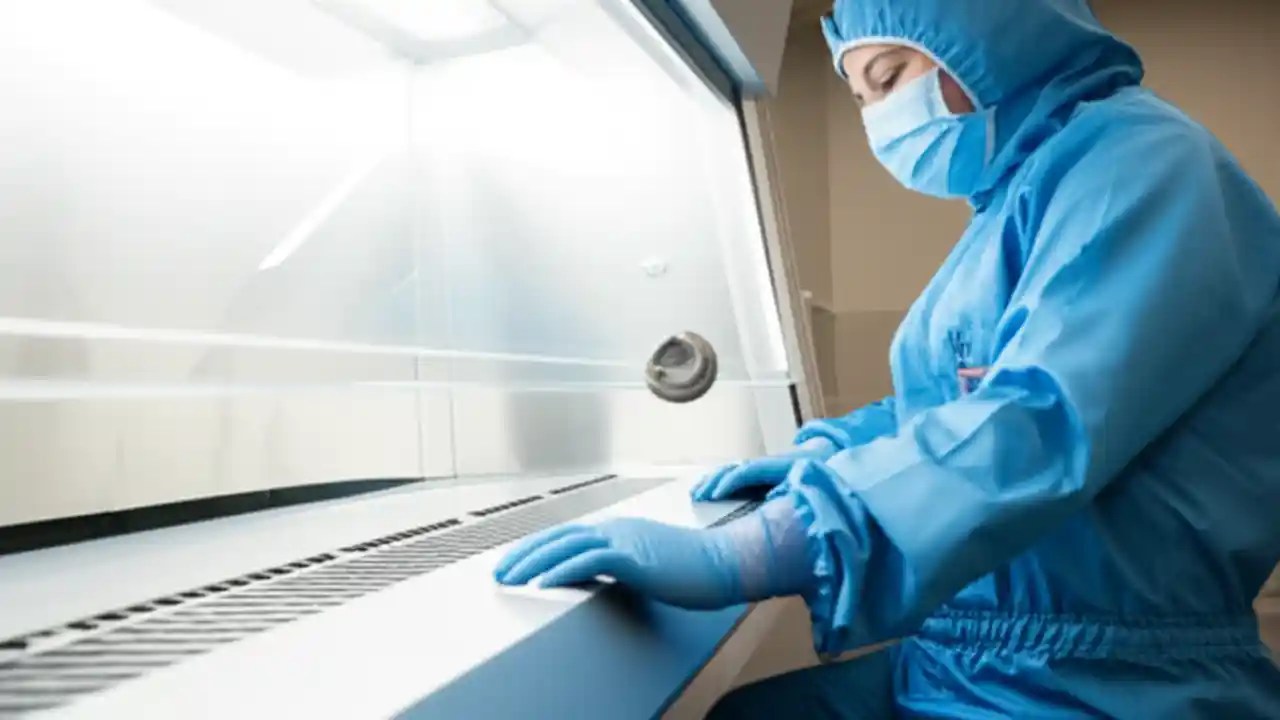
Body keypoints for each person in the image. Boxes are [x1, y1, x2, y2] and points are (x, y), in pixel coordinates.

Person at [496, 0, 1280, 715]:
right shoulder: (1018, 198)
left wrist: (771, 544)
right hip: (983, 660)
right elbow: (943, 404)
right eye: (861, 97)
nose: (878, 117)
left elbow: (1039, 419)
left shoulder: (1143, 163)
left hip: (1100, 684)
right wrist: (830, 457)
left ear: (993, 36)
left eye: (889, 77)